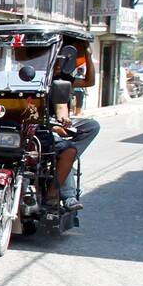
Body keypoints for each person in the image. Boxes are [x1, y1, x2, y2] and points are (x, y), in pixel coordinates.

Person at [48, 46, 99, 210]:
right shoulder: (35, 80)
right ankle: (68, 195)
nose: (58, 66)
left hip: (59, 123)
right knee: (67, 151)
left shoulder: (64, 79)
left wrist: (89, 58)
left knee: (92, 126)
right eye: (55, 61)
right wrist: (54, 126)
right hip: (43, 123)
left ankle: (67, 163)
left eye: (60, 62)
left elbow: (89, 82)